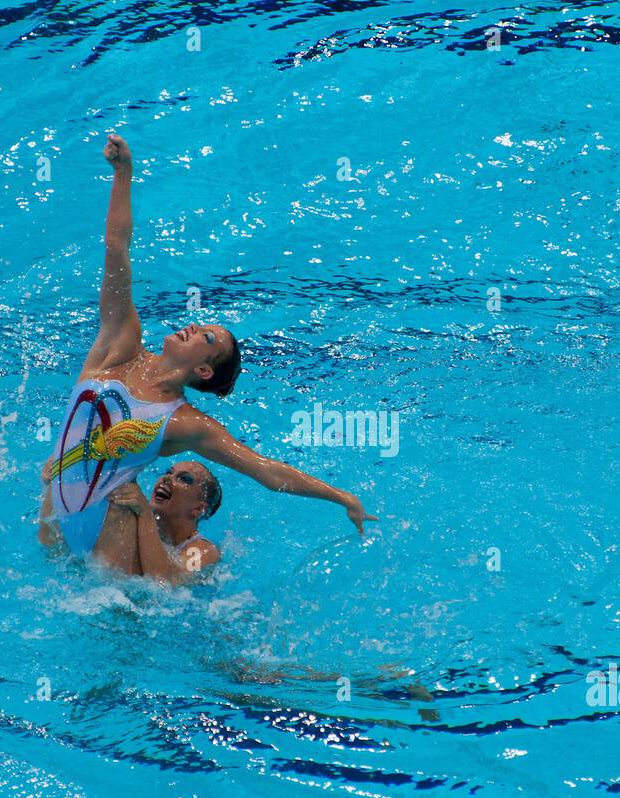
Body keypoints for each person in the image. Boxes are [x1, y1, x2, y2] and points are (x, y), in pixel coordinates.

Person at [39, 133, 375, 573]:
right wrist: (123, 174)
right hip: (54, 518)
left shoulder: (184, 422)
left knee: (113, 622)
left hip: (111, 525)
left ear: (200, 368)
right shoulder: (118, 348)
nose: (196, 326)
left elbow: (266, 471)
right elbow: (116, 249)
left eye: (209, 339)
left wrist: (340, 496)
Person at [100, 461, 222, 584]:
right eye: (169, 472)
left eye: (183, 479)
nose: (167, 478)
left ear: (198, 509)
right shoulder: (132, 520)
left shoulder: (202, 551)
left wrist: (145, 513)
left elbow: (166, 584)